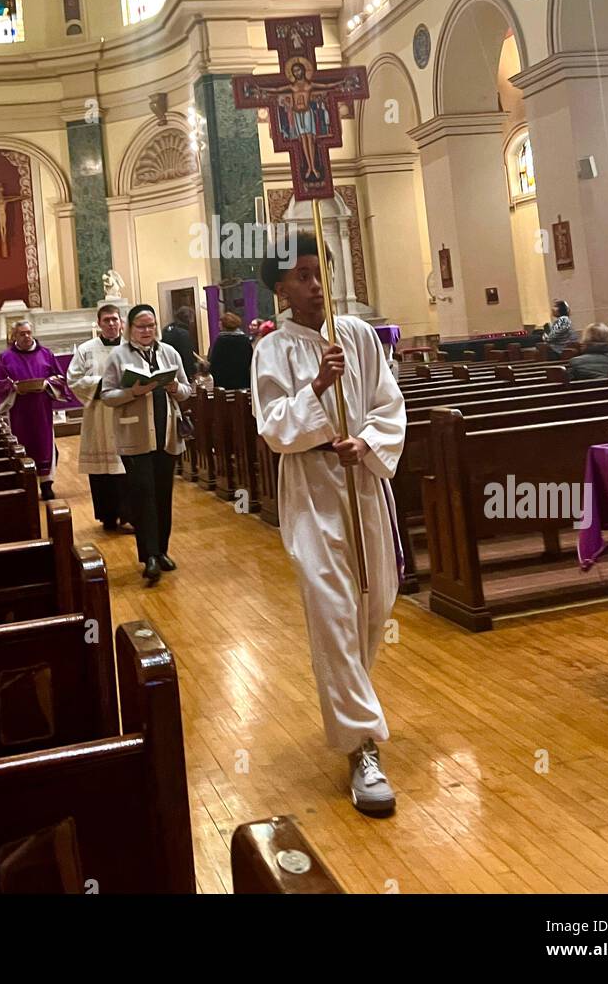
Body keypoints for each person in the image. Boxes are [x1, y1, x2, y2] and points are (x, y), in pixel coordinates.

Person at [251, 232, 406, 818]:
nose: (317, 286)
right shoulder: (273, 351)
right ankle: (363, 748)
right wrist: (317, 387)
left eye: (322, 273)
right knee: (332, 609)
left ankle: (352, 708)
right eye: (304, 277)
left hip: (363, 482)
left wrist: (364, 440)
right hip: (312, 491)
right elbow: (273, 428)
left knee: (373, 604)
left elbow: (390, 406)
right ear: (281, 290)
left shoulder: (360, 336)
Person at [101, 304, 192, 585]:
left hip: (166, 437)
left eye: (151, 325)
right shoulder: (118, 356)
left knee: (163, 495)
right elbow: (107, 395)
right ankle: (149, 556)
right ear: (130, 329)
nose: (146, 331)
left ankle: (162, 550)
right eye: (141, 326)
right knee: (143, 497)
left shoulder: (169, 353)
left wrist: (175, 388)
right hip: (135, 438)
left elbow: (188, 391)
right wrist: (133, 392)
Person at [66, 304, 129, 531]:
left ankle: (128, 515)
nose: (111, 324)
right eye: (106, 320)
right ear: (99, 323)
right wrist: (102, 384)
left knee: (125, 467)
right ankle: (107, 516)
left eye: (114, 319)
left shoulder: (131, 347)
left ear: (121, 322)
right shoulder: (85, 349)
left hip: (126, 412)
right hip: (98, 414)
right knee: (102, 469)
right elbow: (73, 380)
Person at [0, 320, 69, 502]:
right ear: (14, 336)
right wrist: (14, 388)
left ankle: (46, 484)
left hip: (41, 407)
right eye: (21, 334)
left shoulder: (46, 354)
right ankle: (26, 482)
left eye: (28, 333)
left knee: (44, 443)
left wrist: (46, 383)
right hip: (19, 409)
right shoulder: (6, 357)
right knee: (22, 442)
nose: (26, 337)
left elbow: (59, 378)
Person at [208, 312, 253, 390]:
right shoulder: (245, 339)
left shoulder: (221, 340)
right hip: (243, 380)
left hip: (223, 383)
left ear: (224, 325)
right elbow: (250, 359)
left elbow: (214, 362)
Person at [162, 305, 200, 380]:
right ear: (188, 319)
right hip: (180, 372)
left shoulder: (167, 329)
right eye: (192, 319)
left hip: (166, 370)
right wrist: (192, 373)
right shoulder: (183, 334)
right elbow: (187, 356)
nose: (193, 322)